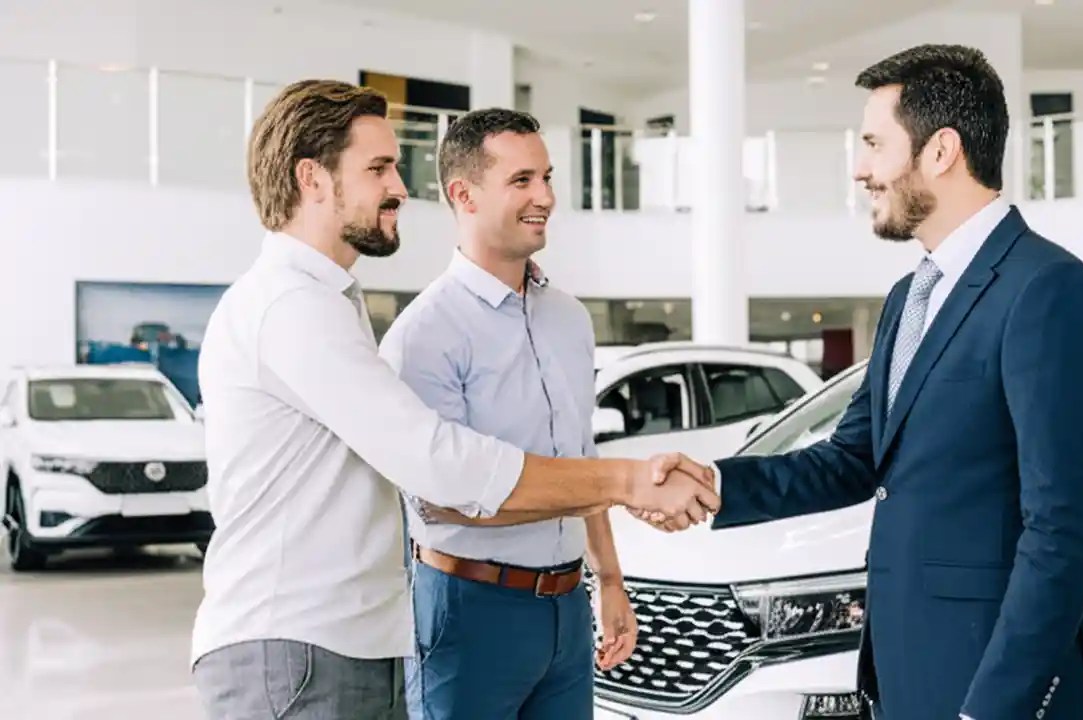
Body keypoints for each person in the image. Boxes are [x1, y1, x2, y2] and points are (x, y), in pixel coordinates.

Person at [190, 80, 717, 720]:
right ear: (313, 179)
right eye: (378, 168)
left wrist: (607, 566)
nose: (400, 187)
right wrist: (628, 481)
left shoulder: (324, 302)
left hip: (344, 644)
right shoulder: (291, 307)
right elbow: (437, 465)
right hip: (298, 648)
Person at [643, 45, 1083, 719]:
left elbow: (1063, 532)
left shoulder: (1049, 290)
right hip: (909, 673)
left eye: (874, 144)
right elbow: (852, 459)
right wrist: (715, 484)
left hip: (995, 687)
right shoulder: (909, 297)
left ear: (941, 151)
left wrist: (991, 709)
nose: (860, 169)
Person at [378, 107, 636, 720]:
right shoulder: (423, 335)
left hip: (567, 607)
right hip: (468, 609)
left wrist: (610, 579)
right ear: (463, 195)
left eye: (546, 178)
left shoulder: (570, 318)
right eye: (521, 180)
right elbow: (443, 500)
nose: (545, 197)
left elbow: (581, 458)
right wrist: (622, 485)